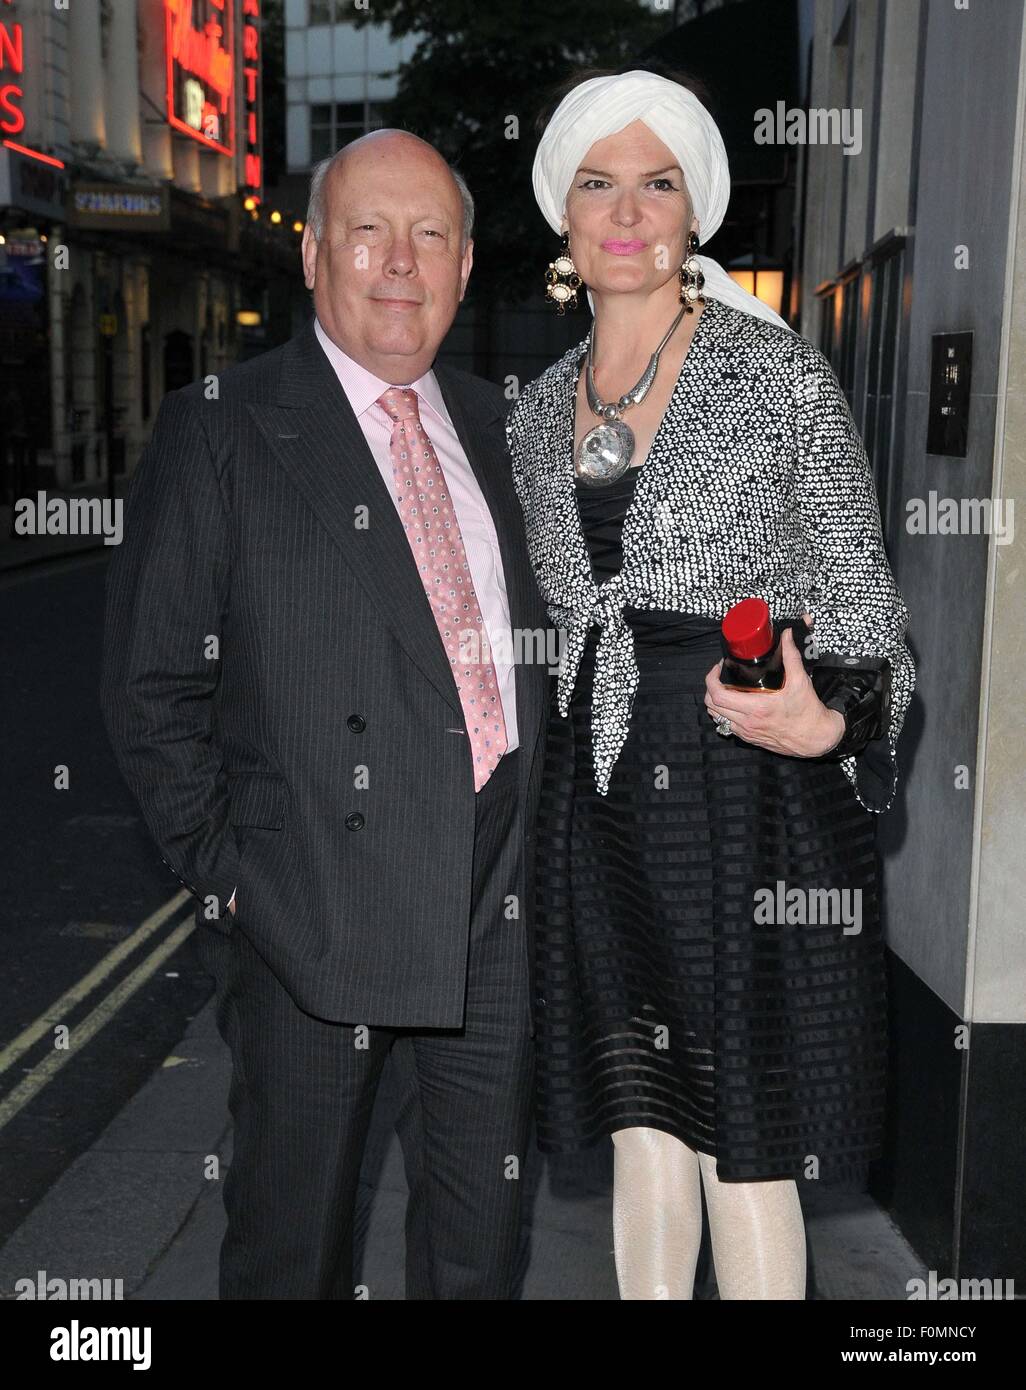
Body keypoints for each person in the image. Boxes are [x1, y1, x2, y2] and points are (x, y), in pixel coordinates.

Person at [101, 129, 550, 1300]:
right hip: (313, 935)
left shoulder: (506, 431)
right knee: (292, 1257)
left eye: (430, 236)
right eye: (368, 231)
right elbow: (152, 695)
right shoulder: (222, 427)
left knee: (481, 1255)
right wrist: (242, 889)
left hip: (493, 922)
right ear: (314, 257)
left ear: (463, 267)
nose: (399, 263)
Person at [505, 67, 916, 1301]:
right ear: (563, 218)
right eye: (598, 184)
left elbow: (867, 612)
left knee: (745, 1145)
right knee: (643, 1125)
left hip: (749, 799)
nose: (626, 212)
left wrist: (826, 718)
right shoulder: (530, 415)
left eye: (657, 183)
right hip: (603, 800)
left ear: (696, 214)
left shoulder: (779, 376)